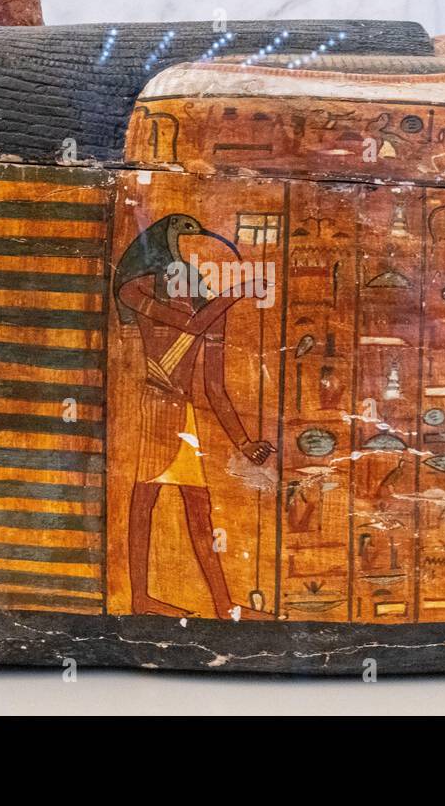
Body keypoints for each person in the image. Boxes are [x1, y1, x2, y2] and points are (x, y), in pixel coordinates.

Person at [115, 215, 274, 619]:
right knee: (144, 500)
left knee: (197, 509)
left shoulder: (209, 309)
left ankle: (223, 605)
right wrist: (237, 292)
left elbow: (214, 389)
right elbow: (188, 323)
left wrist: (245, 443)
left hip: (183, 415)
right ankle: (140, 597)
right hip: (156, 406)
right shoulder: (141, 290)